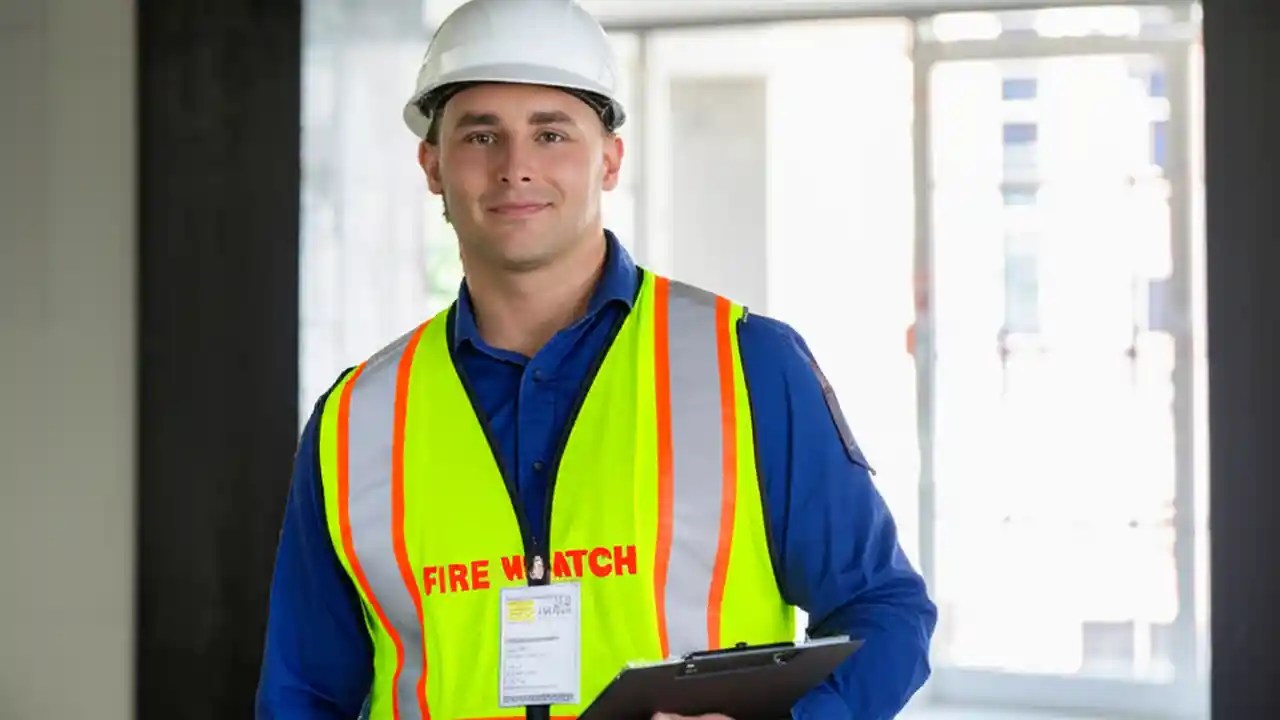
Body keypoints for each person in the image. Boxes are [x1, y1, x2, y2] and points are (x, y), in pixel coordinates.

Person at [256, 1, 936, 718]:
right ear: (432, 165)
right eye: (480, 135)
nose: (516, 167)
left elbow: (884, 611)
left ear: (609, 159)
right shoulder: (356, 418)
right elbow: (302, 694)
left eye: (551, 134)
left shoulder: (748, 366)